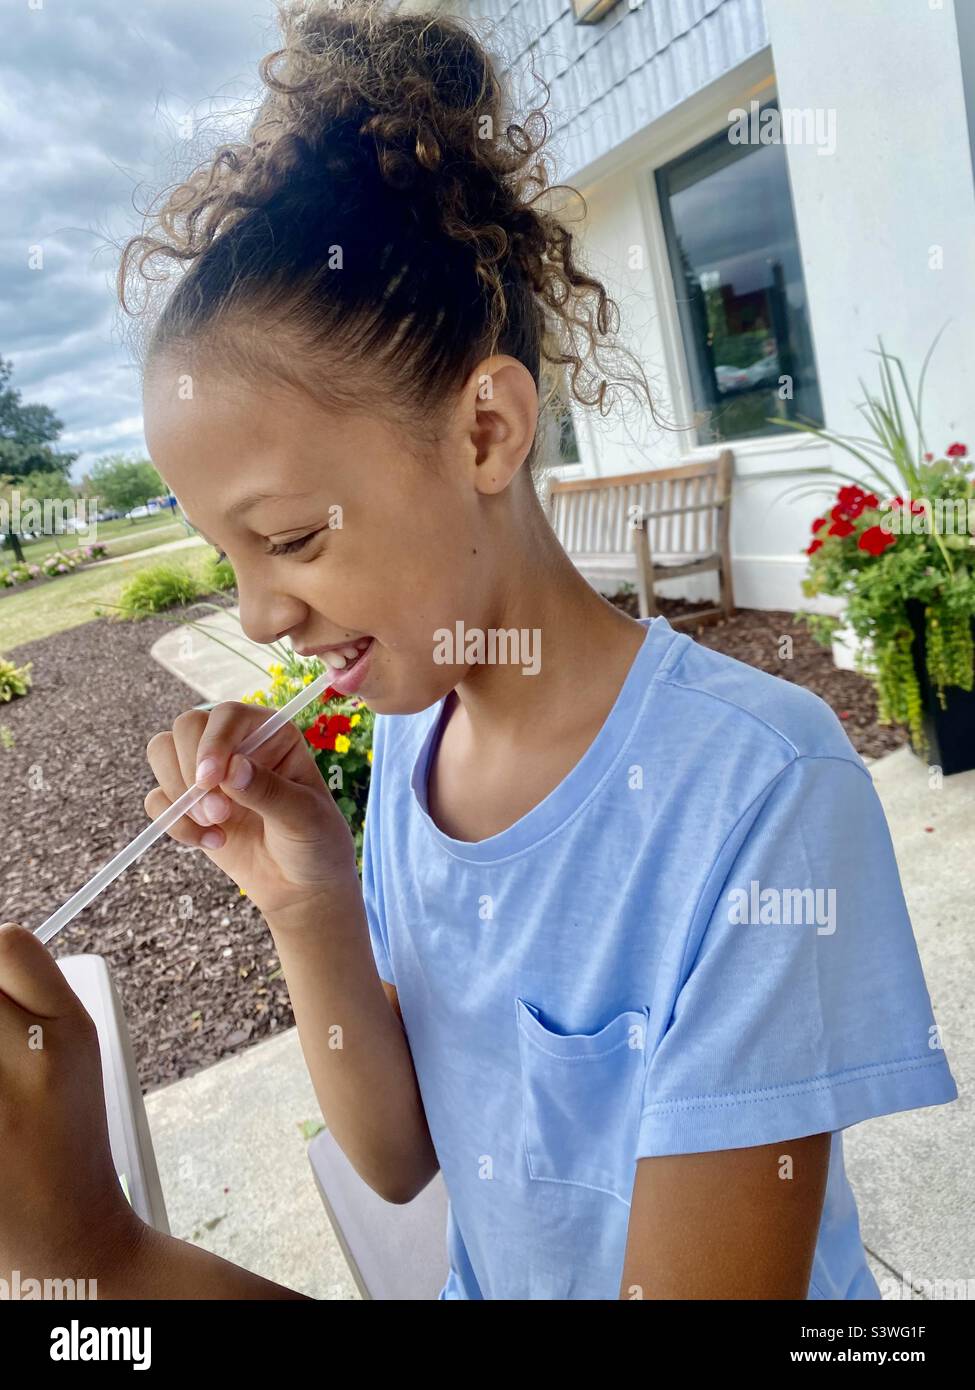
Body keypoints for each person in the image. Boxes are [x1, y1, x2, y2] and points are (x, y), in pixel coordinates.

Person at [0, 0, 956, 1301]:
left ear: (488, 430)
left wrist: (101, 1261)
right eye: (229, 556)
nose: (261, 614)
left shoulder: (757, 796)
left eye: (287, 534)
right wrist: (310, 901)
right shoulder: (413, 735)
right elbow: (399, 1158)